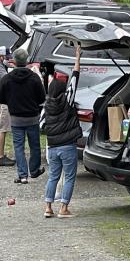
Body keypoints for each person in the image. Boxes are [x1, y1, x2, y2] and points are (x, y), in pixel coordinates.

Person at [41, 45, 84, 217]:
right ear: (62, 90)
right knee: (69, 177)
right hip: (67, 146)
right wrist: (77, 58)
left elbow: (41, 125)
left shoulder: (46, 106)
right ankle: (64, 209)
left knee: (53, 177)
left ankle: (48, 208)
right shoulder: (67, 100)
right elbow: (75, 78)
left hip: (52, 147)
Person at [1, 48, 46, 184]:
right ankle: (34, 170)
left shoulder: (7, 78)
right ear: (27, 60)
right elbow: (41, 97)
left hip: (16, 117)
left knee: (19, 146)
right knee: (34, 145)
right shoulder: (34, 78)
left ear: (14, 61)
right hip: (32, 116)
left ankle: (22, 175)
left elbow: (1, 98)